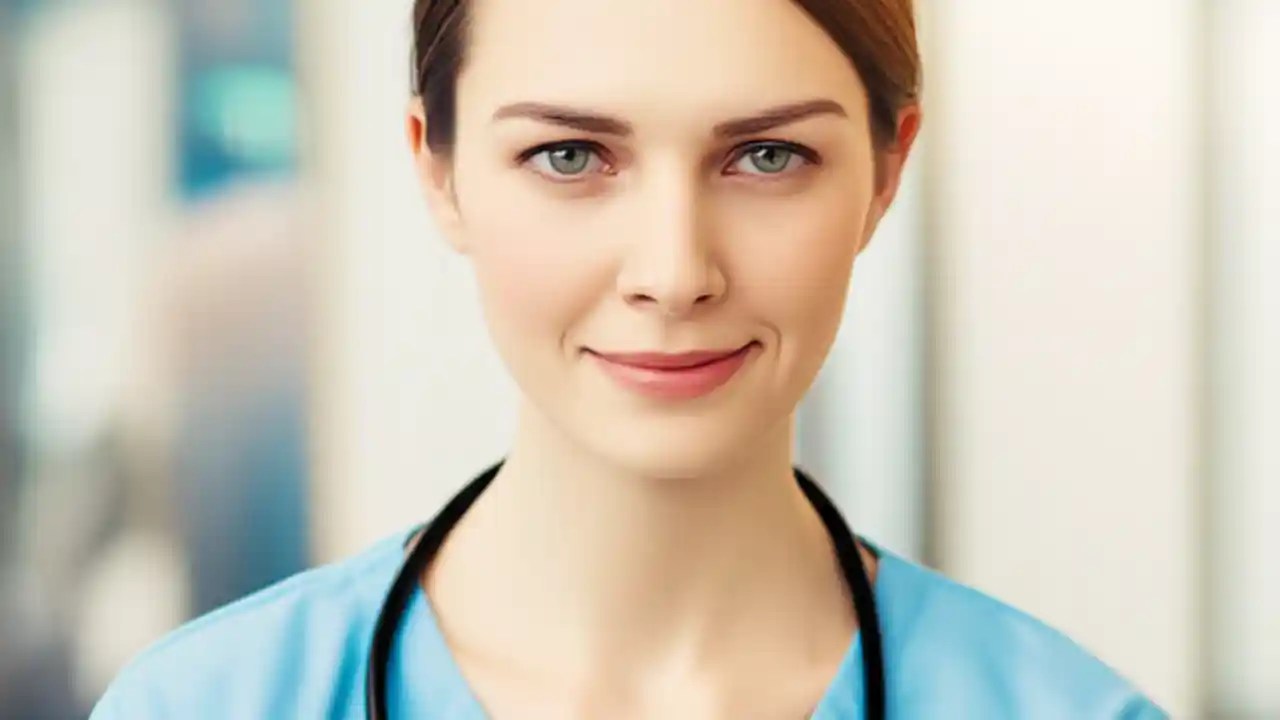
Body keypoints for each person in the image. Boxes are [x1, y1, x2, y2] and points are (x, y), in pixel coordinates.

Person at [90, 0, 1169, 717]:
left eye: (767, 156)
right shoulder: (202, 705)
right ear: (438, 172)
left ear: (886, 175)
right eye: (569, 156)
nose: (673, 272)